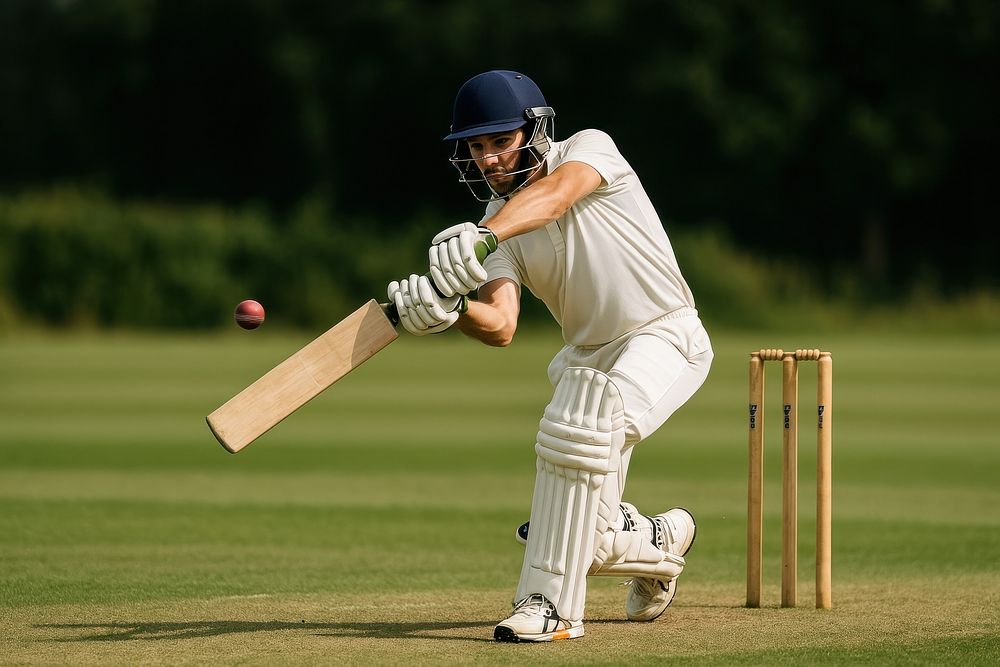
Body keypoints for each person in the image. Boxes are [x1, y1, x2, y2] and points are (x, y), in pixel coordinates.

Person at [387, 70, 713, 643]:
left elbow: (556, 197)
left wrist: (482, 236)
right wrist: (451, 313)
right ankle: (660, 543)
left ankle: (551, 609)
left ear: (535, 130)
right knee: (589, 537)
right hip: (589, 358)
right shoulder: (495, 227)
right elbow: (501, 324)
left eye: (499, 141)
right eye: (476, 146)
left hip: (664, 335)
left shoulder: (589, 149)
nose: (487, 158)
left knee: (581, 423)